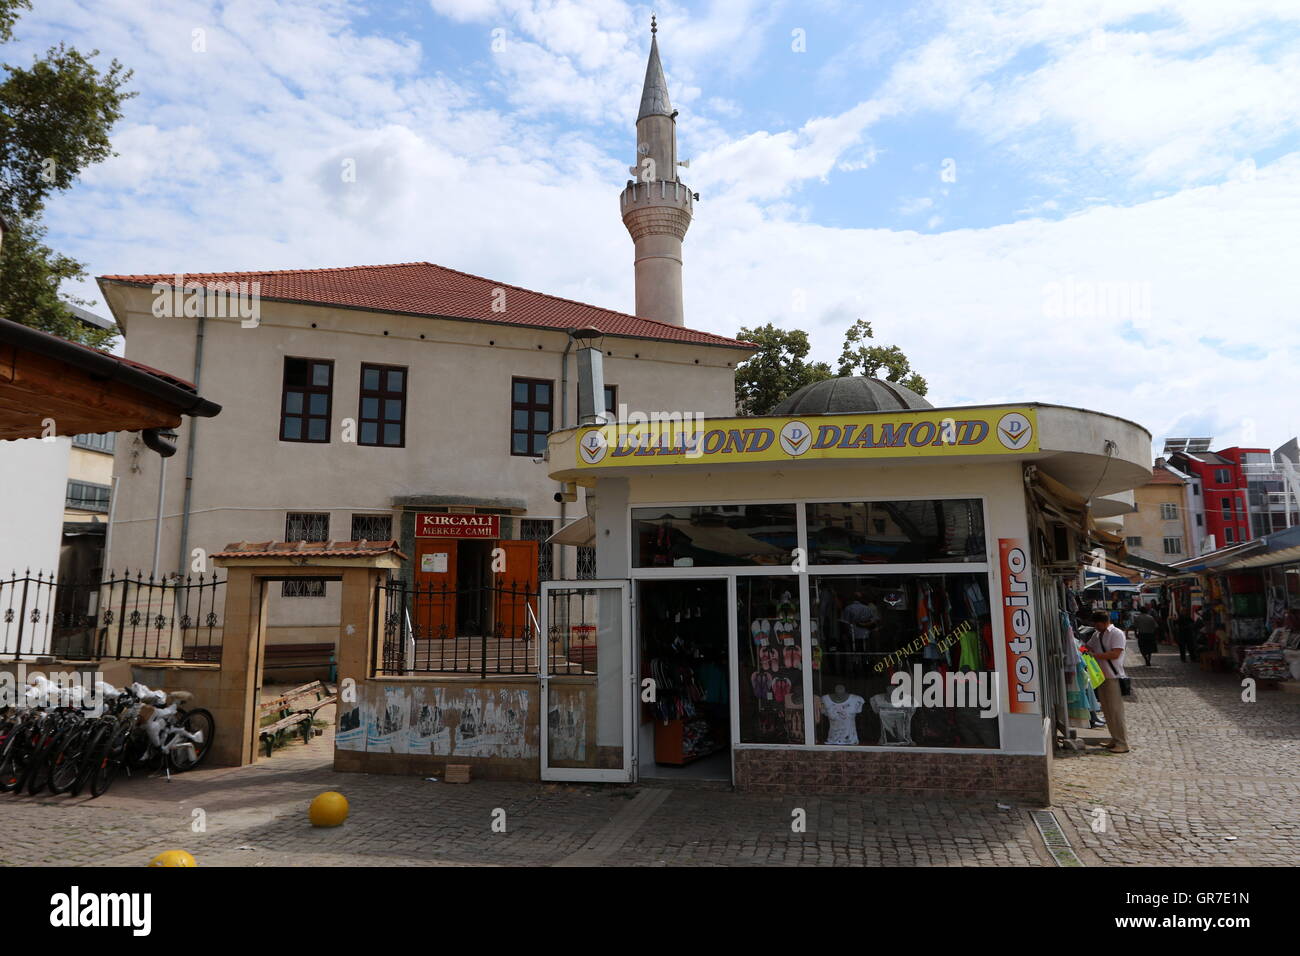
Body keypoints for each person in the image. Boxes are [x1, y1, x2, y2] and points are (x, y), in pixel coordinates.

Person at [1082, 609, 1130, 753]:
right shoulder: (1097, 635)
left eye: (1097, 624)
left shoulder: (1116, 634)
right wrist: (1082, 649)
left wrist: (1094, 655)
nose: (1095, 627)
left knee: (1115, 711)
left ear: (1103, 622)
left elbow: (1115, 654)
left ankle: (1122, 742)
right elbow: (1088, 646)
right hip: (1101, 677)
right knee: (1108, 711)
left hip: (1113, 677)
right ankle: (1114, 738)